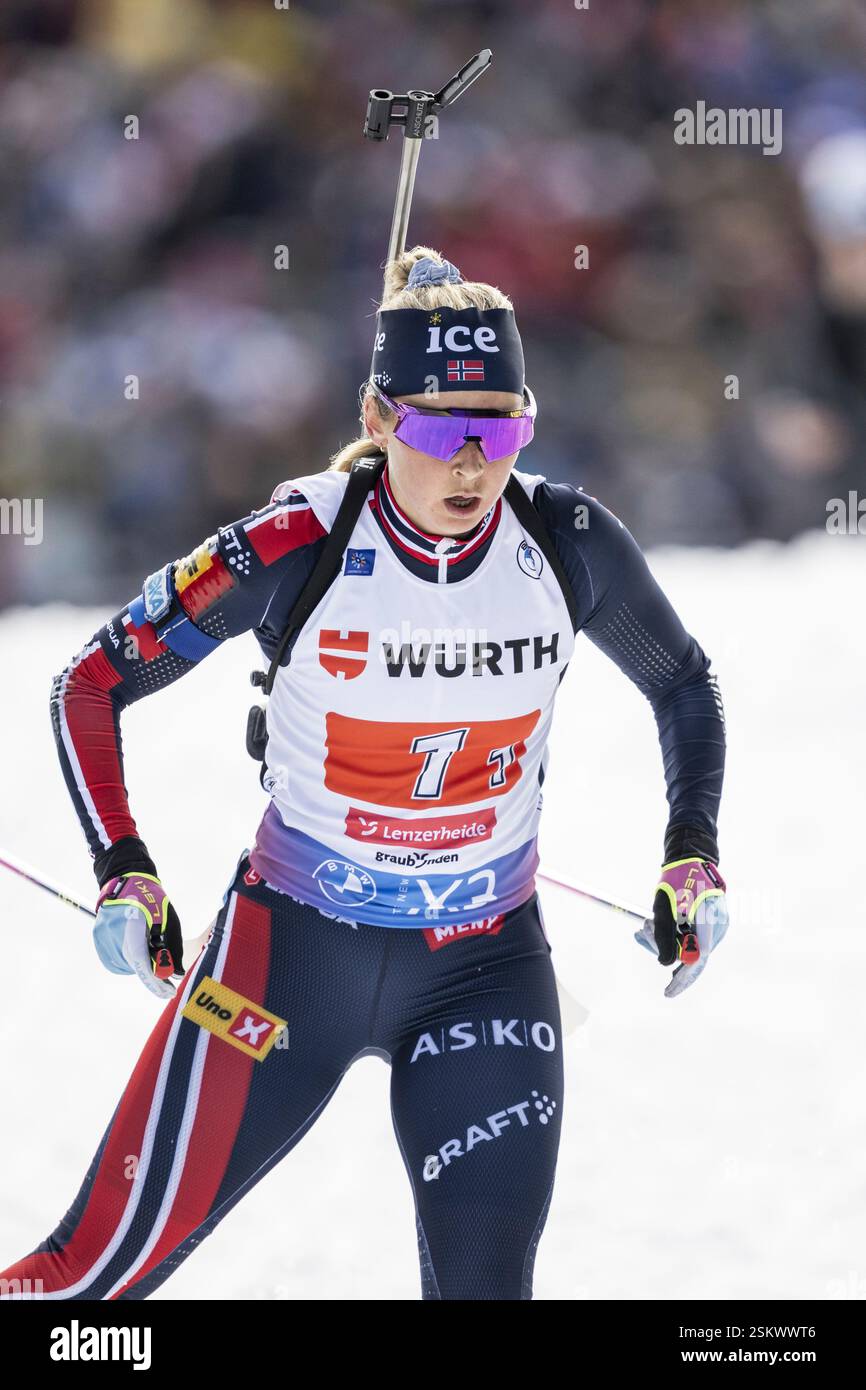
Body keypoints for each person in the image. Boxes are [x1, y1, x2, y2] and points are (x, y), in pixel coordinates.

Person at [0, 247, 727, 1302]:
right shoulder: (298, 539)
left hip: (483, 968)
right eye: (439, 431)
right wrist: (126, 869)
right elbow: (90, 682)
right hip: (288, 960)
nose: (472, 466)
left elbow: (682, 681)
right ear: (380, 419)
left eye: (502, 429)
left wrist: (690, 857)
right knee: (82, 1283)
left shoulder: (566, 539)